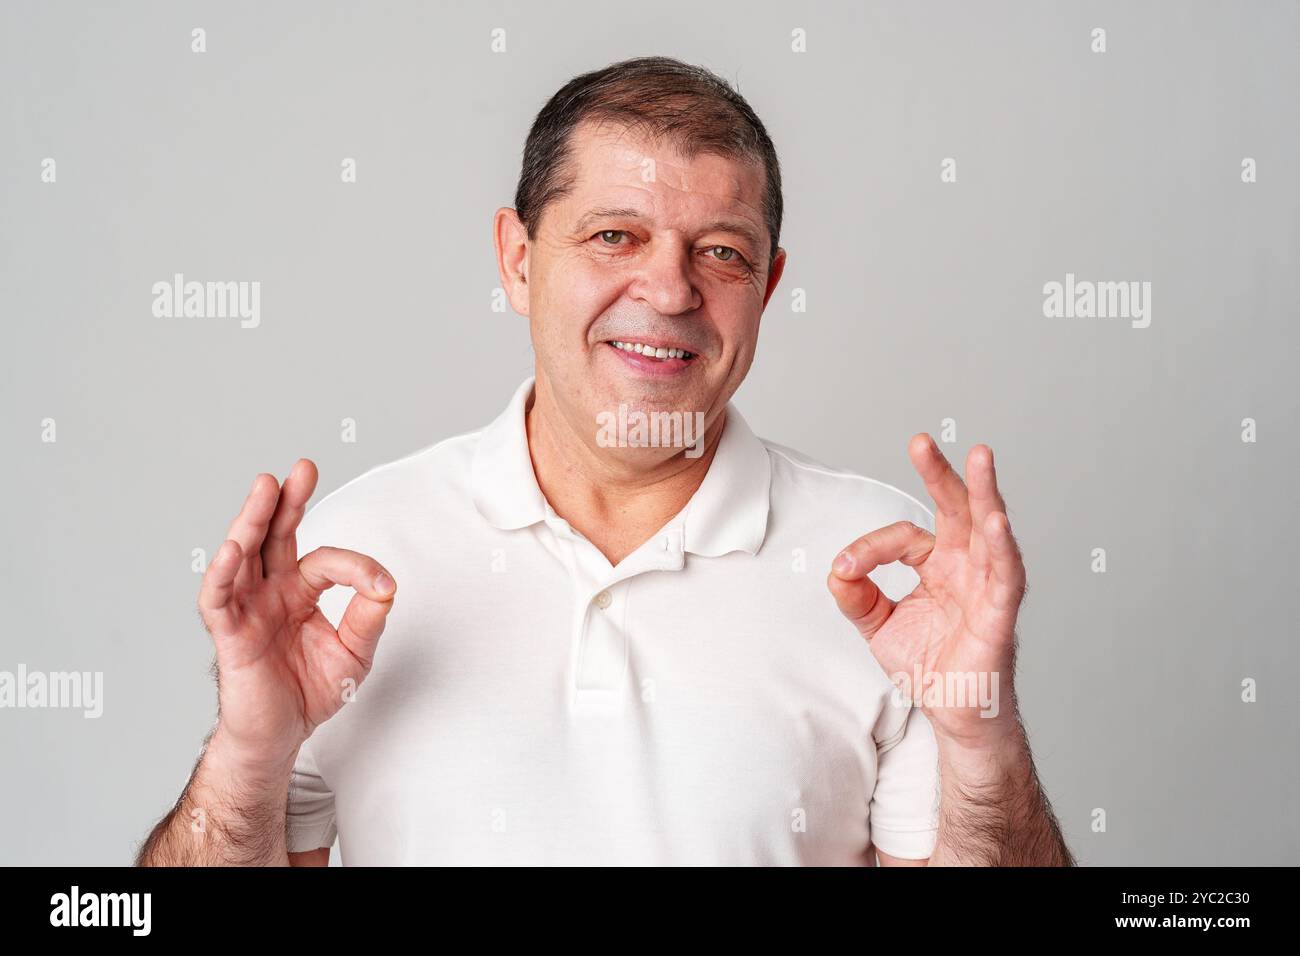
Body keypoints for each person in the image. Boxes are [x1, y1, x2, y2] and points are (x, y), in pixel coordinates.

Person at [138, 56, 1072, 867]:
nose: (669, 290)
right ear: (516, 259)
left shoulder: (885, 570)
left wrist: (979, 737)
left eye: (721, 252)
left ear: (768, 286)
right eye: (613, 236)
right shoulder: (351, 557)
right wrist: (249, 756)